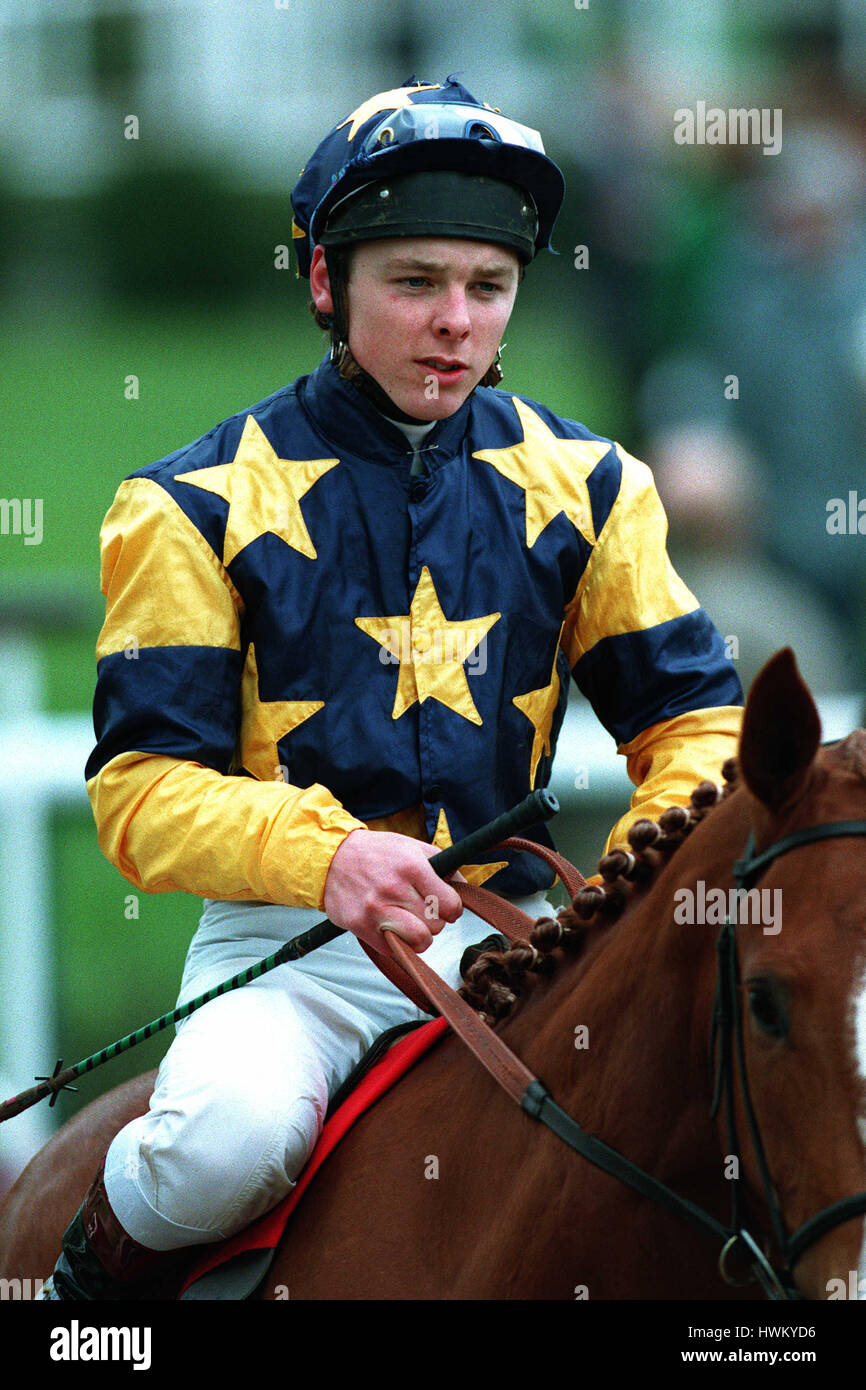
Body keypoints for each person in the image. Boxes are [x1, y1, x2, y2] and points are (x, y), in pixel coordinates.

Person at [41, 75, 743, 1300]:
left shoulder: (592, 485)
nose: (454, 324)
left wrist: (633, 889)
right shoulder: (187, 506)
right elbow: (142, 794)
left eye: (486, 288)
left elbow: (697, 727)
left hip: (525, 946)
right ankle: (66, 1306)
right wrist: (330, 860)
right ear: (326, 281)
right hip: (294, 948)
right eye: (412, 282)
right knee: (220, 1145)